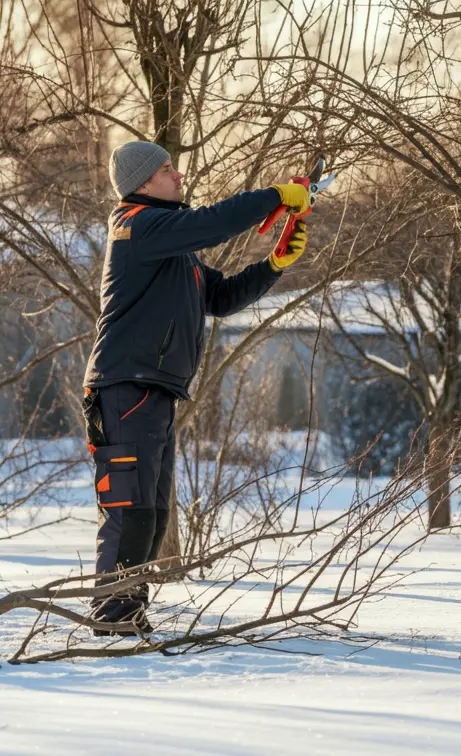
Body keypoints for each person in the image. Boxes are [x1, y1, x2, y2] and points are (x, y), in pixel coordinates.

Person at [82, 139, 310, 635]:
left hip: (153, 391)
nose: (177, 176)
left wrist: (274, 266)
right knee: (130, 509)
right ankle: (111, 617)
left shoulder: (172, 249)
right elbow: (211, 222)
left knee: (154, 514)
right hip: (125, 387)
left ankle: (127, 614)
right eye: (167, 169)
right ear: (143, 181)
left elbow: (221, 298)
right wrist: (274, 195)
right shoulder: (136, 225)